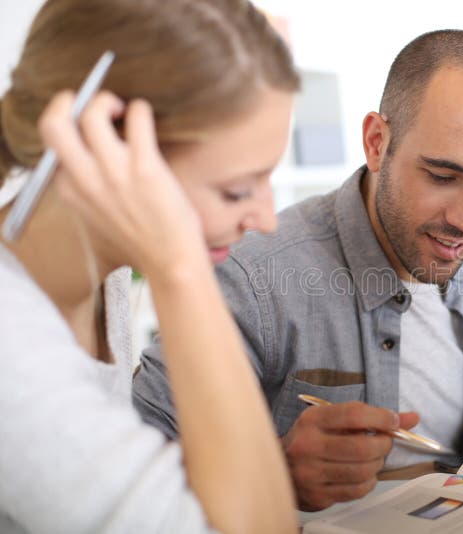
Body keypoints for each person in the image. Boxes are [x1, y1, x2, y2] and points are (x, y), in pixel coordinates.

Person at [133, 29, 463, 512]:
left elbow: (446, 449)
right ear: (377, 143)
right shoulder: (253, 277)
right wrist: (276, 471)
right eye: (443, 176)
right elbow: (128, 474)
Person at [0, 0, 301, 532]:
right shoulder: (11, 344)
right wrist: (179, 266)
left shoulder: (103, 275)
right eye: (236, 189)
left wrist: (279, 462)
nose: (266, 219)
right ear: (107, 149)